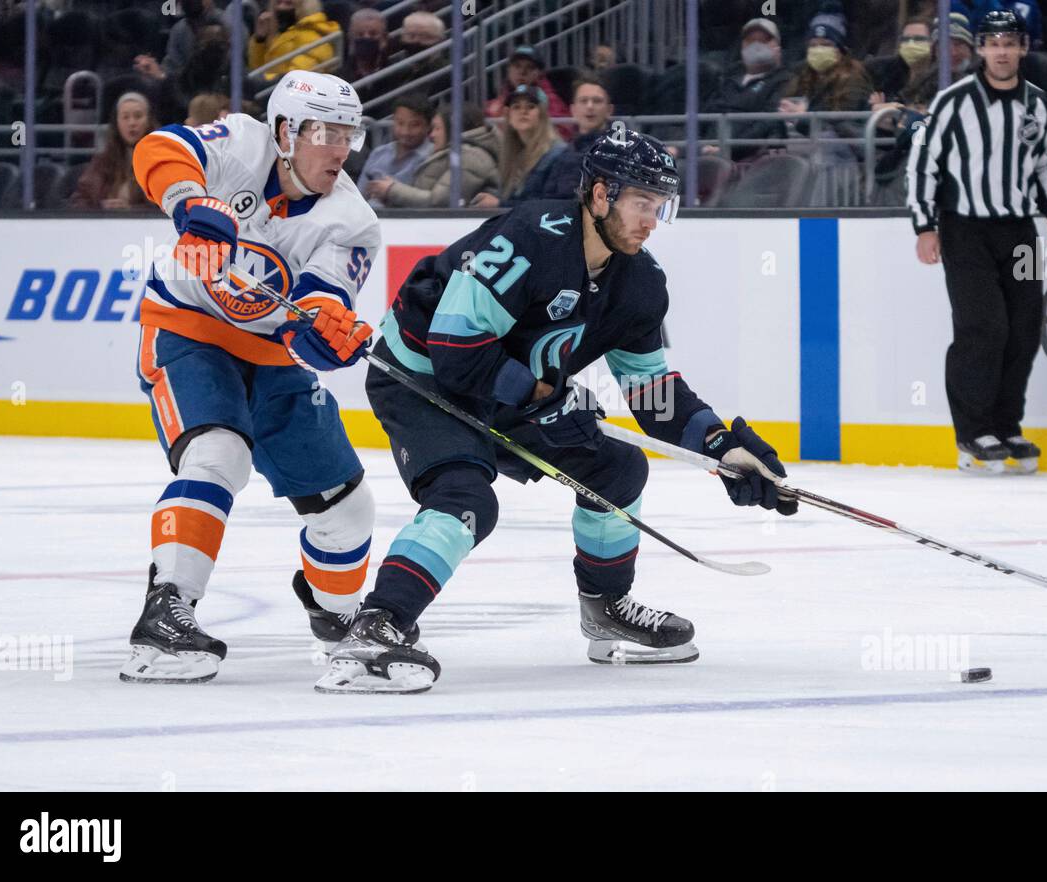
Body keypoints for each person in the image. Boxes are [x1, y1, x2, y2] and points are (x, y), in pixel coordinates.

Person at [318, 131, 798, 693]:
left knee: (616, 470)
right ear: (600, 195)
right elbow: (455, 350)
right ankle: (376, 626)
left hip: (509, 387)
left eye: (661, 206)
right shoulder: (528, 238)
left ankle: (605, 609)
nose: (651, 221)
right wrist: (546, 400)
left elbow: (651, 391)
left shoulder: (640, 284)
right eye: (642, 202)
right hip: (422, 377)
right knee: (465, 499)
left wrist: (721, 447)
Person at [119, 70, 381, 684]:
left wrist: (323, 332)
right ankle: (166, 610)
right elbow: (157, 147)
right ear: (285, 132)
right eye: (325, 133)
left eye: (349, 135)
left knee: (348, 511)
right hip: (188, 329)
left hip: (273, 359)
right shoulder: (240, 141)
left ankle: (336, 613)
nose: (340, 149)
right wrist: (190, 202)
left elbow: (315, 305)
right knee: (218, 453)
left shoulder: (352, 221)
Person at [906, 10, 1047, 475]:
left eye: (1009, 43)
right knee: (983, 328)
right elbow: (924, 163)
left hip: (1019, 230)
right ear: (981, 49)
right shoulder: (953, 101)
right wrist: (924, 225)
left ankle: (1006, 425)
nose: (1001, 51)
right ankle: (973, 430)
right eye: (993, 43)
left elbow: (1046, 165)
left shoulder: (1038, 104)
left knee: (1023, 329)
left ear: (1023, 48)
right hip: (965, 229)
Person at [376, 103, 500, 207]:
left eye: (437, 128)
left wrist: (392, 190)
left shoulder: (472, 157)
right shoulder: (456, 153)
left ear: (453, 129)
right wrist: (391, 196)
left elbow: (440, 201)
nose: (432, 135)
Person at [703, 18, 793, 161]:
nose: (756, 46)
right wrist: (693, 147)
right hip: (707, 153)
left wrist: (727, 148)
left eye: (763, 41)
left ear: (777, 48)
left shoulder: (785, 80)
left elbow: (768, 122)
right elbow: (707, 114)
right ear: (742, 46)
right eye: (750, 41)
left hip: (751, 160)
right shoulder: (727, 79)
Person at [70, 92, 159, 210]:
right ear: (117, 123)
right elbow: (81, 199)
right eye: (125, 117)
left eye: (138, 116)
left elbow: (168, 204)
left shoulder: (161, 160)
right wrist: (101, 207)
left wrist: (133, 210)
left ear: (149, 121)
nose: (132, 123)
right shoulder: (104, 159)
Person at [357, 93, 434, 208]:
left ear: (428, 126)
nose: (405, 131)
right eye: (400, 123)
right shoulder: (379, 153)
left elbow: (427, 201)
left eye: (414, 125)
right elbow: (359, 196)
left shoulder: (433, 157)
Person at [494, 84, 566, 205]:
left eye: (531, 106)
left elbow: (548, 205)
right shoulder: (512, 157)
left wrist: (498, 204)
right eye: (516, 107)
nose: (523, 112)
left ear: (542, 114)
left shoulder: (558, 155)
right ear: (508, 116)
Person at [543, 77, 613, 199]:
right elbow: (547, 194)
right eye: (583, 101)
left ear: (609, 110)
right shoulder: (562, 154)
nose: (590, 106)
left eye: (597, 101)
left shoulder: (619, 152)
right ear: (573, 110)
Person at [483, 45, 572, 140]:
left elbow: (563, 133)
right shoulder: (496, 103)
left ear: (540, 73)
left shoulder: (551, 101)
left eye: (530, 67)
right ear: (508, 70)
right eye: (517, 66)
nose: (522, 72)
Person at [248, 0, 340, 80]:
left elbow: (297, 79)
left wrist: (260, 82)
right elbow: (257, 71)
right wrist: (260, 40)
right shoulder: (279, 33)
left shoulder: (313, 35)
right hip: (273, 91)